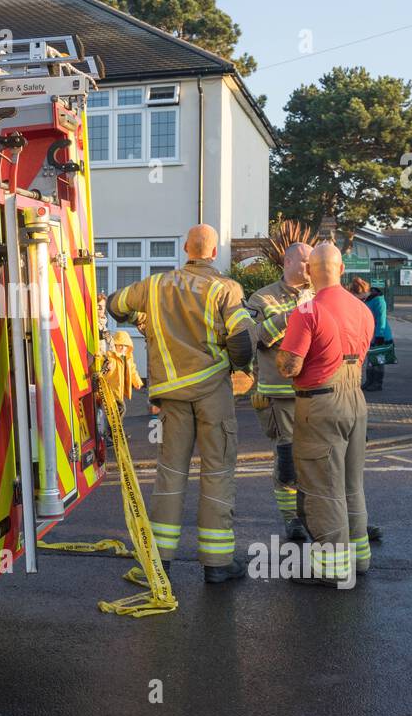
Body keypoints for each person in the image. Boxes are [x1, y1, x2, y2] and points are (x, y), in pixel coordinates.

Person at [107, 224, 256, 583]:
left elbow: (114, 304)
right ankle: (218, 565)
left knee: (170, 476)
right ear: (214, 252)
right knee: (217, 472)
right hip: (212, 393)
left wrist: (142, 318)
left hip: (171, 397)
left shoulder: (156, 285)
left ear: (186, 247)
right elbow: (242, 337)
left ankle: (159, 564)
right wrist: (237, 367)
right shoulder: (224, 288)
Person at [277, 243, 376, 587]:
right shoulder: (363, 309)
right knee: (351, 483)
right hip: (355, 401)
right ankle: (359, 556)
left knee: (322, 488)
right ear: (342, 268)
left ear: (308, 272)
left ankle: (332, 567)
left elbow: (290, 365)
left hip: (320, 404)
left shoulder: (307, 310)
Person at [246, 242, 314, 543]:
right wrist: (296, 315)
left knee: (323, 458)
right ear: (287, 262)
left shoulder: (318, 292)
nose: (310, 266)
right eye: (304, 261)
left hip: (316, 390)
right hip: (280, 394)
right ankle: (292, 520)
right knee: (288, 460)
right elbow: (257, 338)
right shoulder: (263, 297)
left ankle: (331, 517)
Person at [349, 276, 392, 391]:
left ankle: (377, 383)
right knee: (371, 359)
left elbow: (381, 319)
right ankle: (369, 381)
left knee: (378, 360)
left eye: (355, 295)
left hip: (380, 335)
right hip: (370, 335)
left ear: (361, 292)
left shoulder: (378, 300)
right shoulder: (365, 300)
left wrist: (379, 336)